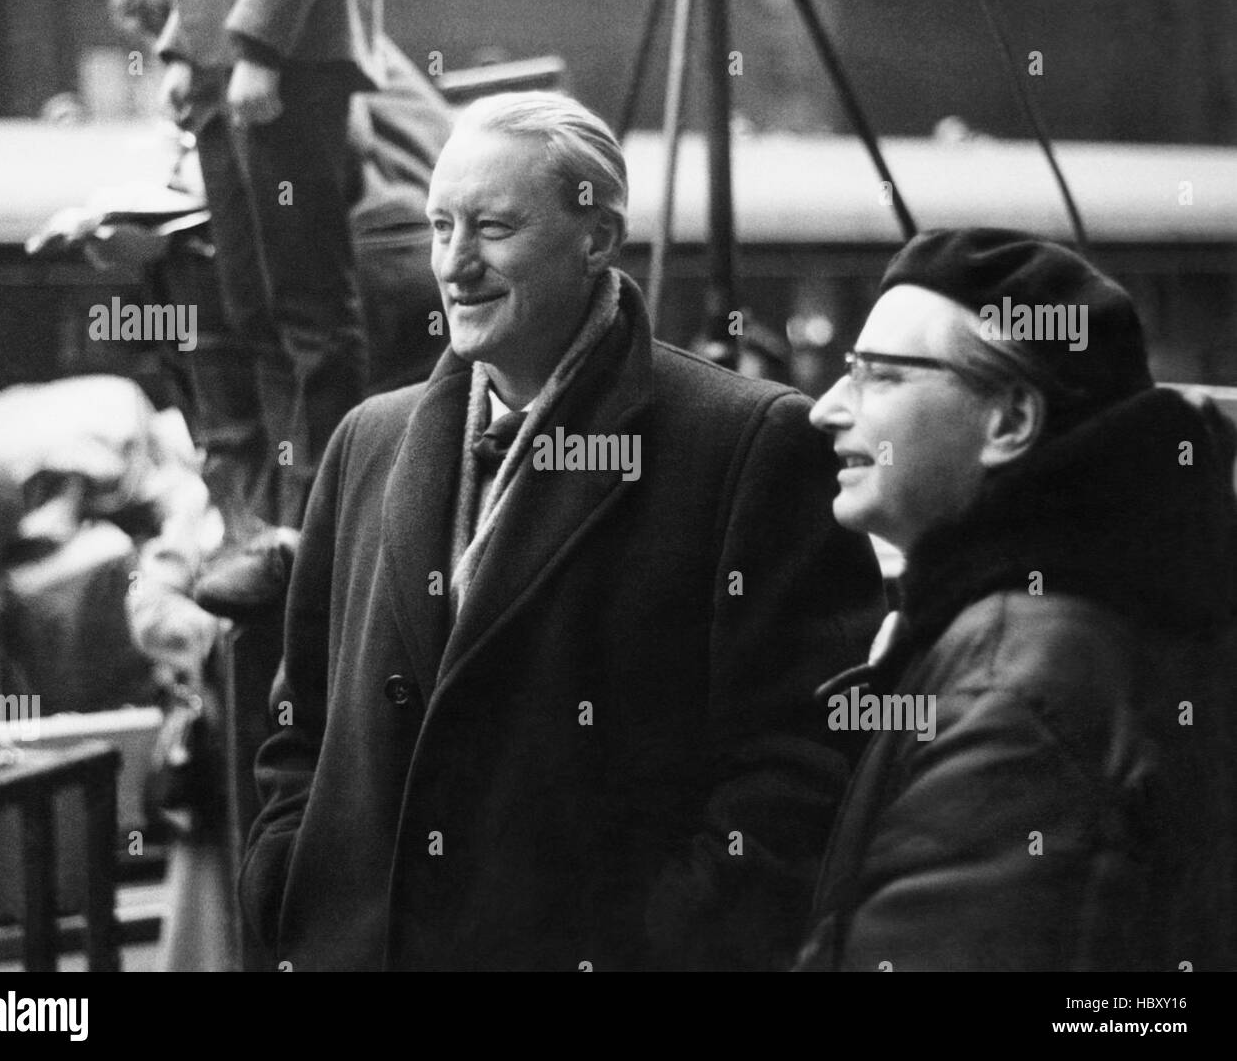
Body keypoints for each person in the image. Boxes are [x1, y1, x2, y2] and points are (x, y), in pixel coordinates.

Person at [240, 91, 885, 971]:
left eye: (492, 228)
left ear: (598, 237)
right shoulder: (369, 441)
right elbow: (298, 723)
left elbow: (801, 770)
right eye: (438, 227)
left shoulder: (746, 442)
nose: (454, 264)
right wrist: (284, 882)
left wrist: (667, 943)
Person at [798, 228, 1237, 971]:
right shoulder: (1068, 621)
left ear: (1010, 421)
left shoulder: (1020, 693)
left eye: (878, 376)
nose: (826, 409)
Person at [156, 0, 383, 564]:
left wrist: (260, 46)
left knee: (309, 314)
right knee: (254, 309)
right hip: (220, 62)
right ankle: (289, 522)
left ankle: (323, 527)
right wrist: (183, 43)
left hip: (284, 56)